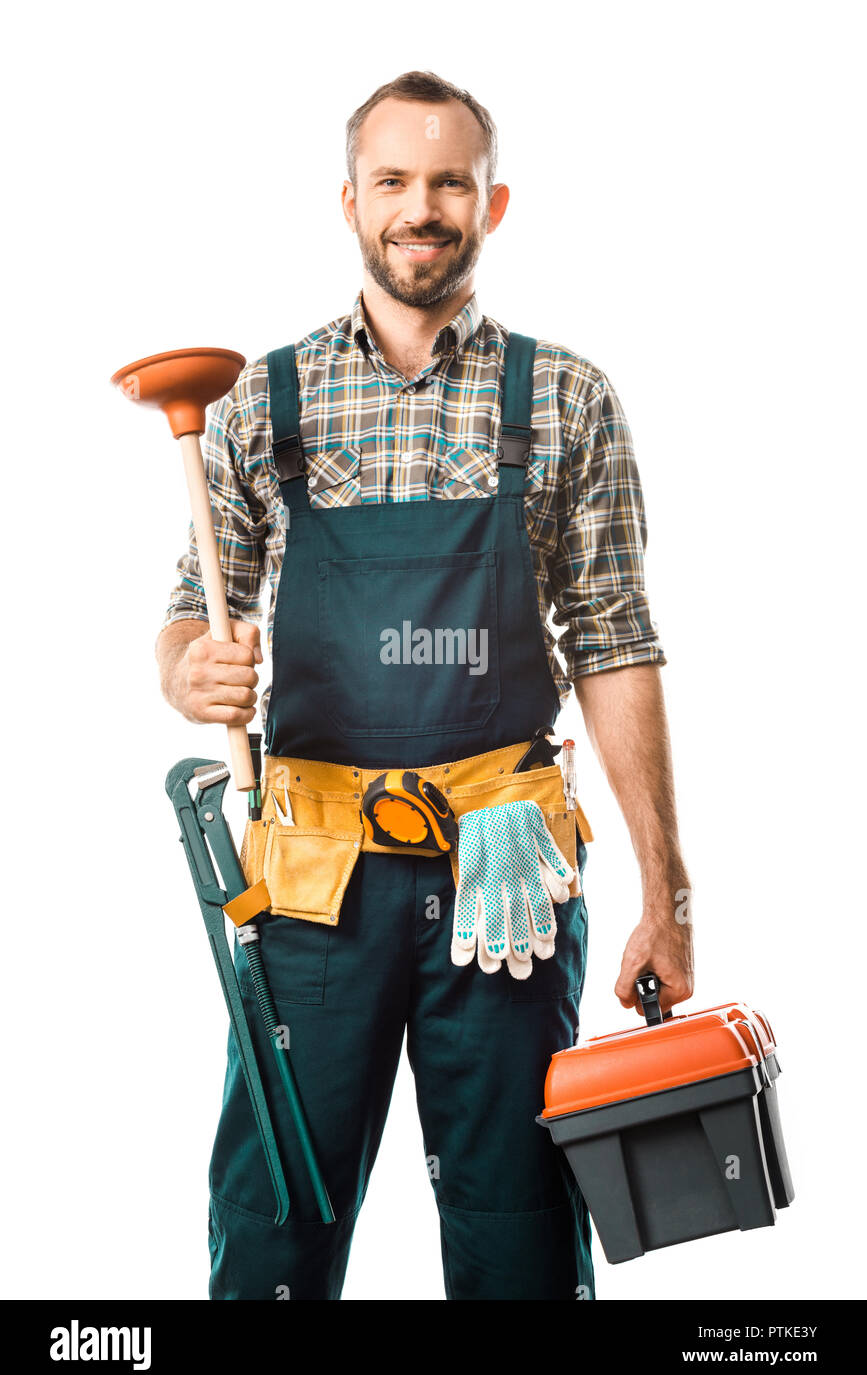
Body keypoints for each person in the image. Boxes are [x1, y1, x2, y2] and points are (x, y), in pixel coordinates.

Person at [156, 69, 693, 1301]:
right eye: (394, 179)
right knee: (275, 1216)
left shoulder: (564, 397)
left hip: (502, 875)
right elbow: (196, 601)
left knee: (518, 1234)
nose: (422, 206)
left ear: (492, 204)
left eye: (450, 180)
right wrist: (189, 664)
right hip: (309, 886)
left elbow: (614, 640)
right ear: (348, 200)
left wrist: (668, 892)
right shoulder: (258, 401)